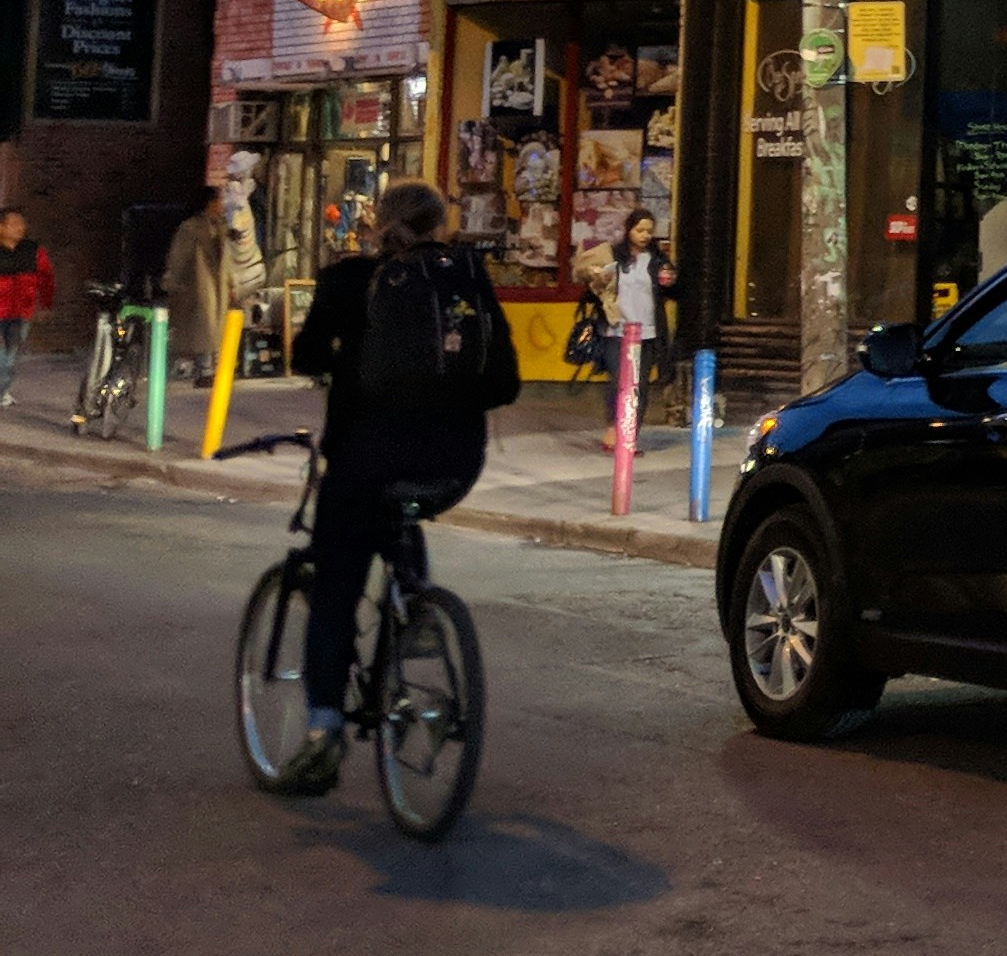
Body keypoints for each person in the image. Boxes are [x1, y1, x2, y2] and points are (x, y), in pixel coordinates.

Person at [275, 182, 521, 794]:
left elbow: (304, 355)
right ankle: (418, 607)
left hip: (367, 461)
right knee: (402, 514)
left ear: (378, 223)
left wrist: (332, 356)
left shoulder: (349, 281)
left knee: (336, 586)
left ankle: (322, 730)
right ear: (441, 225)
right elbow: (504, 379)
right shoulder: (464, 278)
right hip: (455, 464)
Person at [575, 212, 673, 449]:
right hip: (615, 329)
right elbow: (590, 290)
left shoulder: (658, 259)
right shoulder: (612, 256)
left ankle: (630, 436)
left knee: (639, 386)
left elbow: (674, 292)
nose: (644, 235)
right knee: (619, 381)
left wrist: (670, 281)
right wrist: (596, 279)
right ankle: (613, 429)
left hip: (647, 332)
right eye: (640, 230)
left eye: (649, 231)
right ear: (629, 229)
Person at [158, 183, 232, 387]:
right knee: (205, 327)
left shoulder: (222, 227)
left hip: (218, 284)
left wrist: (232, 283)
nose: (222, 205)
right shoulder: (190, 228)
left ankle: (215, 369)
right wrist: (172, 281)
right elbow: (178, 257)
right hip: (200, 283)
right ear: (210, 203)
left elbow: (228, 259)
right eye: (219, 201)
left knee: (217, 326)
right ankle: (205, 370)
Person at [0, 207, 46, 408]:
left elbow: (46, 277)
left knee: (11, 357)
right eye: (14, 224)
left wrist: (44, 304)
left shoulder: (32, 249)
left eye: (22, 223)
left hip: (20, 313)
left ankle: (2, 391)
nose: (20, 228)